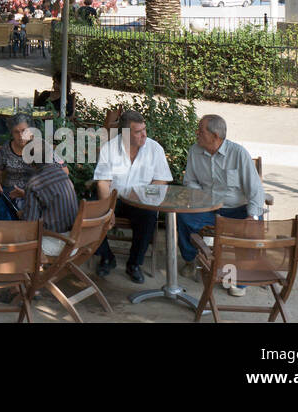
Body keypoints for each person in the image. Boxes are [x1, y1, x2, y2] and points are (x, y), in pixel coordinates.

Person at [175, 114, 265, 295]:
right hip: (207, 208)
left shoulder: (238, 153)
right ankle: (190, 259)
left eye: (200, 130)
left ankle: (240, 278)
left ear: (215, 136)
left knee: (253, 223)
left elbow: (255, 189)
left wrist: (252, 215)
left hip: (237, 210)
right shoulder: (195, 150)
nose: (196, 133)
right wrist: (200, 198)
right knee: (183, 216)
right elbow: (190, 181)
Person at [93, 109, 172, 284]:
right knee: (93, 213)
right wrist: (109, 208)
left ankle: (135, 264)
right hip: (116, 199)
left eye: (144, 130)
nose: (144, 135)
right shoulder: (110, 148)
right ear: (125, 134)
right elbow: (102, 182)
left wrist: (144, 194)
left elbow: (161, 181)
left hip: (141, 201)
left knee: (149, 217)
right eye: (138, 132)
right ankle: (107, 258)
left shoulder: (154, 148)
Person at [20, 139, 80, 258]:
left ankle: (26, 273)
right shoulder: (61, 173)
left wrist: (21, 214)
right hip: (75, 239)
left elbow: (30, 225)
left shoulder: (34, 184)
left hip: (57, 242)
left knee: (16, 238)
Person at [0, 113, 44, 220]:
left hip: (33, 192)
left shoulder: (40, 148)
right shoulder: (6, 149)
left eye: (24, 131)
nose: (20, 135)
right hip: (10, 191)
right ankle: (7, 234)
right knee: (2, 204)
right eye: (16, 132)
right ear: (11, 133)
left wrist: (29, 193)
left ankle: (28, 234)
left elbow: (62, 171)